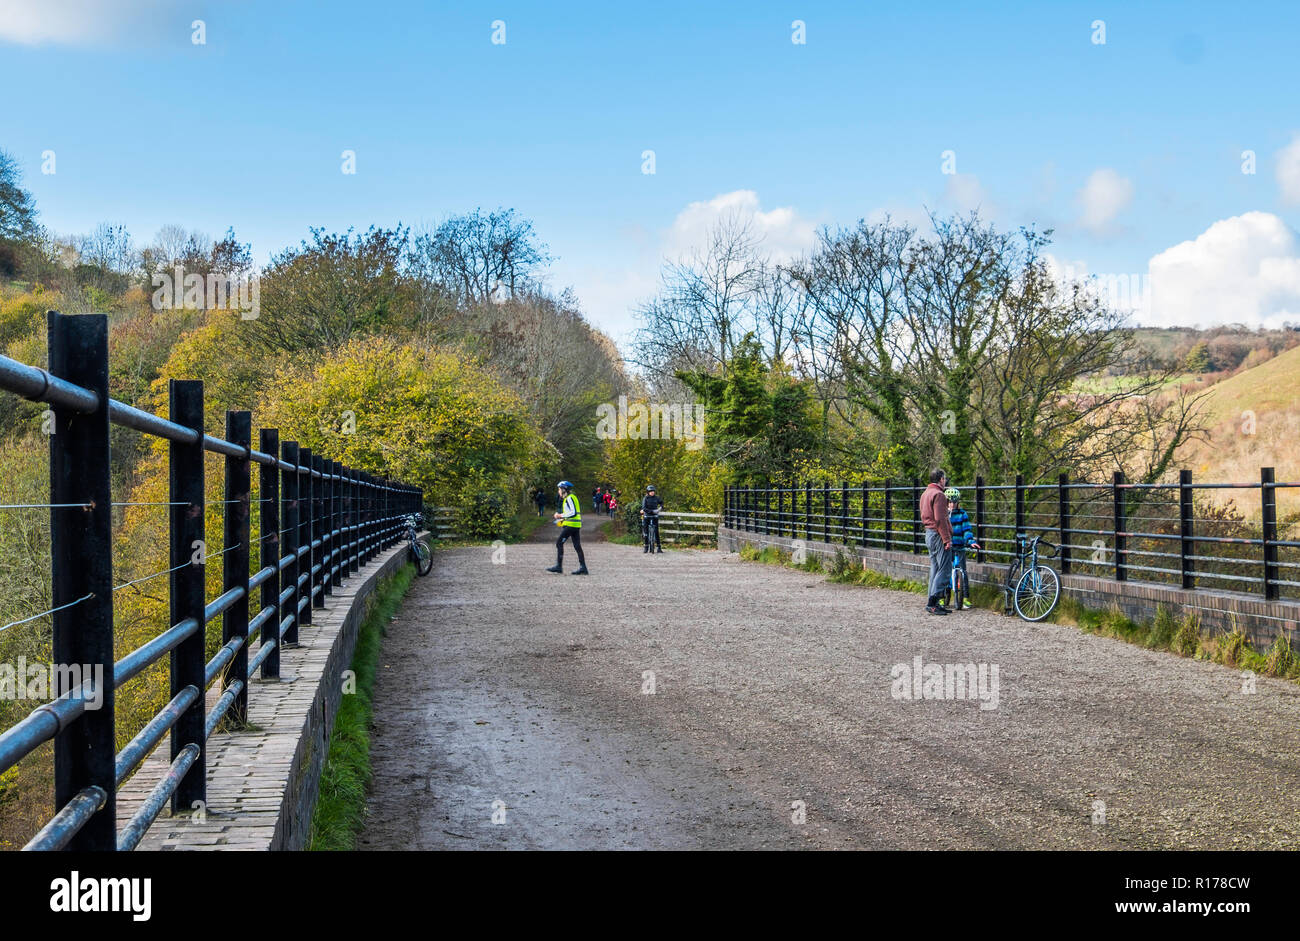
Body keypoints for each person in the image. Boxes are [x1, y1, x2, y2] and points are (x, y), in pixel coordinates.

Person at [919, 468, 953, 615]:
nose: (945, 481)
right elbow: (940, 519)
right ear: (941, 479)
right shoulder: (939, 495)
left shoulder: (925, 493)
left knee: (935, 568)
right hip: (938, 534)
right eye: (944, 479)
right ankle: (933, 602)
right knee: (945, 569)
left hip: (929, 533)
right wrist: (946, 539)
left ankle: (931, 601)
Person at [945, 488, 979, 610]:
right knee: (945, 571)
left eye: (954, 502)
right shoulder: (943, 514)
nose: (952, 504)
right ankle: (944, 595)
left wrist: (970, 541)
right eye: (950, 502)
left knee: (963, 572)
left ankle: (965, 598)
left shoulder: (962, 514)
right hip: (947, 547)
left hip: (960, 546)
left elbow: (966, 529)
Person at [547, 480, 588, 575]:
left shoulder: (570, 498)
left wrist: (560, 516)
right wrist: (562, 520)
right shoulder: (569, 498)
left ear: (564, 489)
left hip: (571, 525)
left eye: (559, 489)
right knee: (577, 546)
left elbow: (572, 513)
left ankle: (559, 566)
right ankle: (583, 567)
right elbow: (571, 514)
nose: (558, 491)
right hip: (574, 525)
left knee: (559, 543)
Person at [640, 485, 664, 553]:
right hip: (647, 516)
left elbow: (661, 502)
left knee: (656, 532)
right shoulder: (645, 498)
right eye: (650, 491)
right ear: (648, 492)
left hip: (655, 516)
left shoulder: (657, 498)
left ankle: (659, 547)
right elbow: (644, 508)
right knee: (646, 532)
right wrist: (652, 511)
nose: (652, 492)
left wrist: (661, 507)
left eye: (653, 491)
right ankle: (646, 547)